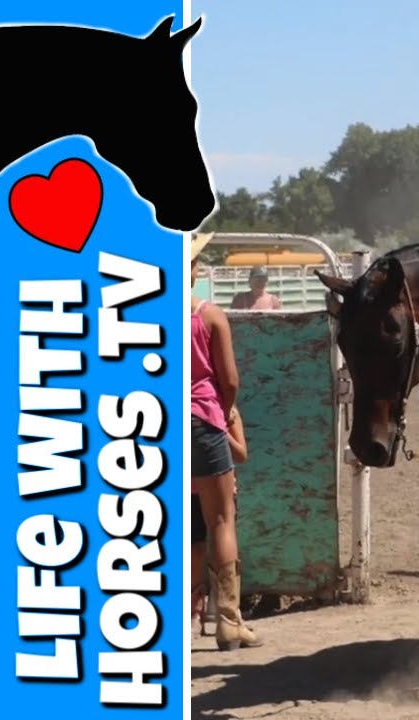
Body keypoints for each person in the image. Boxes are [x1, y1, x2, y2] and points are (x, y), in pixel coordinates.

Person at [190, 233, 264, 650]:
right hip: (202, 421)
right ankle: (230, 620)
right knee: (221, 520)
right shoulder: (210, 316)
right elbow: (230, 381)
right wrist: (222, 412)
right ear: (194, 270)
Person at [191, 403, 248, 637]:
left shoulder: (230, 413)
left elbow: (242, 454)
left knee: (221, 541)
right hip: (190, 490)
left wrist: (220, 433)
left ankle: (226, 614)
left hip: (220, 490)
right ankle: (195, 612)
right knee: (195, 547)